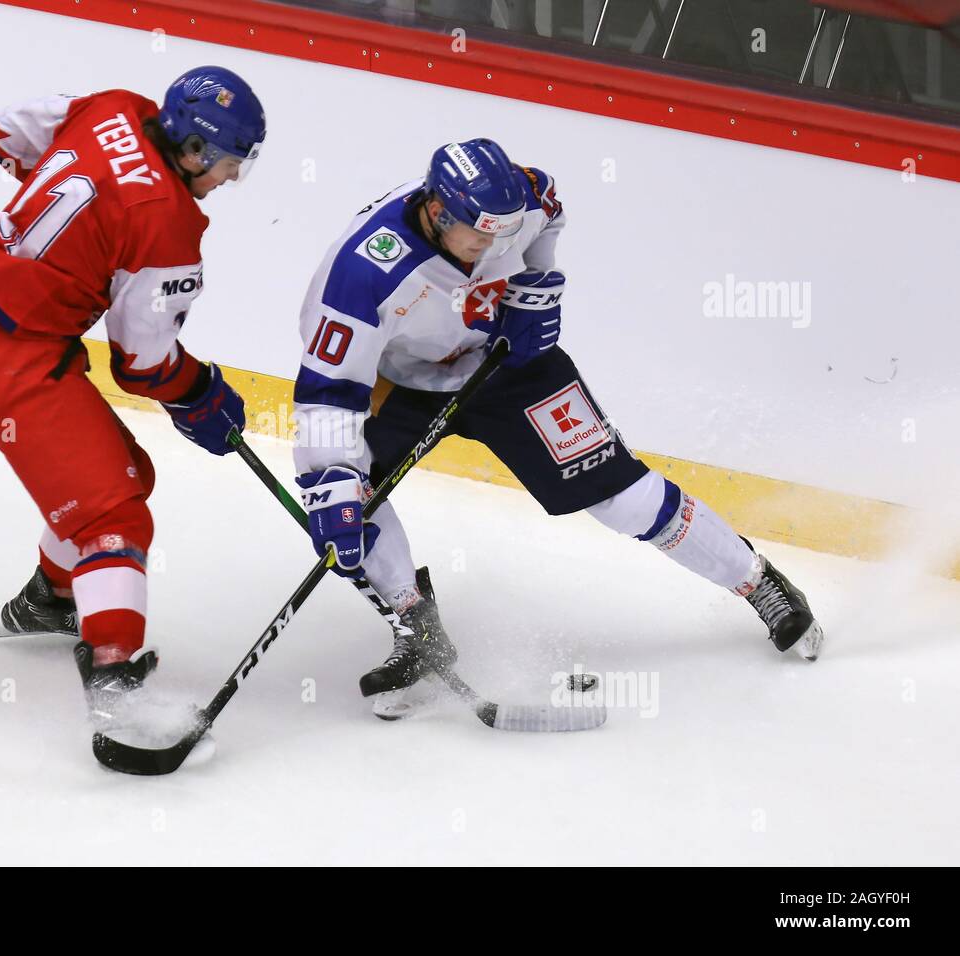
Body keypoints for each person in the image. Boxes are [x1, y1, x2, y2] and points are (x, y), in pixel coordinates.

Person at [290, 139, 824, 717]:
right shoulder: (363, 275)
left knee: (621, 498)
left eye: (503, 233)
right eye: (479, 236)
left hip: (507, 362)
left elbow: (550, 208)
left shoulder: (517, 199)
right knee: (342, 493)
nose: (493, 246)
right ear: (439, 211)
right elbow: (330, 392)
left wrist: (537, 288)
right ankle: (416, 626)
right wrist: (339, 489)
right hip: (399, 381)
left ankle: (757, 580)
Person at [0, 67, 265, 720]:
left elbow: (4, 134)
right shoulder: (167, 226)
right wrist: (201, 394)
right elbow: (143, 365)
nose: (229, 180)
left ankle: (49, 598)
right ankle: (115, 683)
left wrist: (56, 238)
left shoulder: (114, 106)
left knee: (131, 473)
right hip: (1, 353)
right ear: (193, 150)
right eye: (225, 165)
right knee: (116, 517)